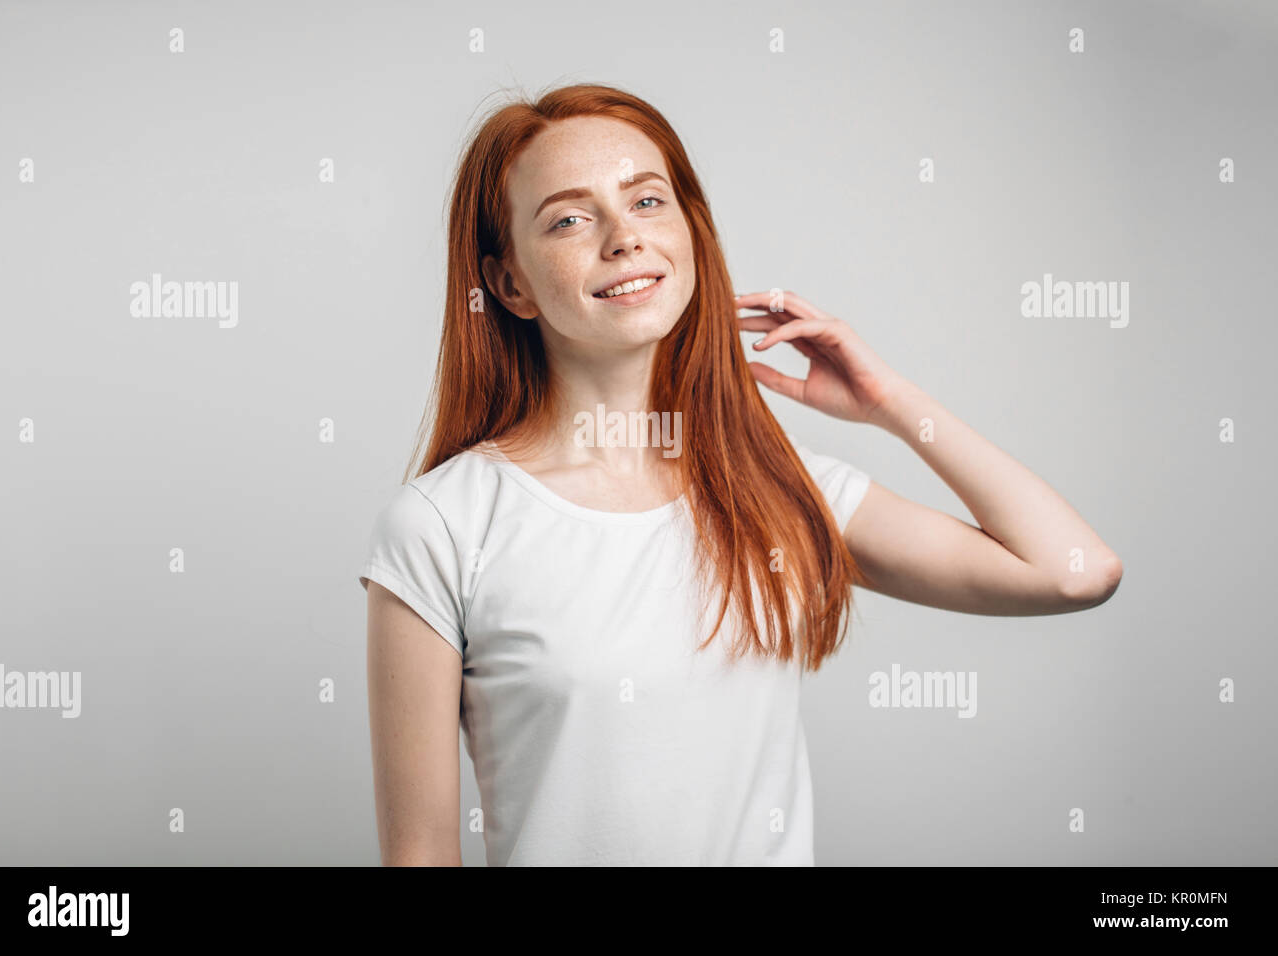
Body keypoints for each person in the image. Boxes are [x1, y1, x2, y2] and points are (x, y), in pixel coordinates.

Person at [358, 83, 1122, 867]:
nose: (624, 238)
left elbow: (1076, 572)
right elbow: (419, 856)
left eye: (648, 200)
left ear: (691, 231)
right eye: (569, 219)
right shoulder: (442, 526)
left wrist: (891, 402)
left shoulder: (780, 488)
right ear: (511, 282)